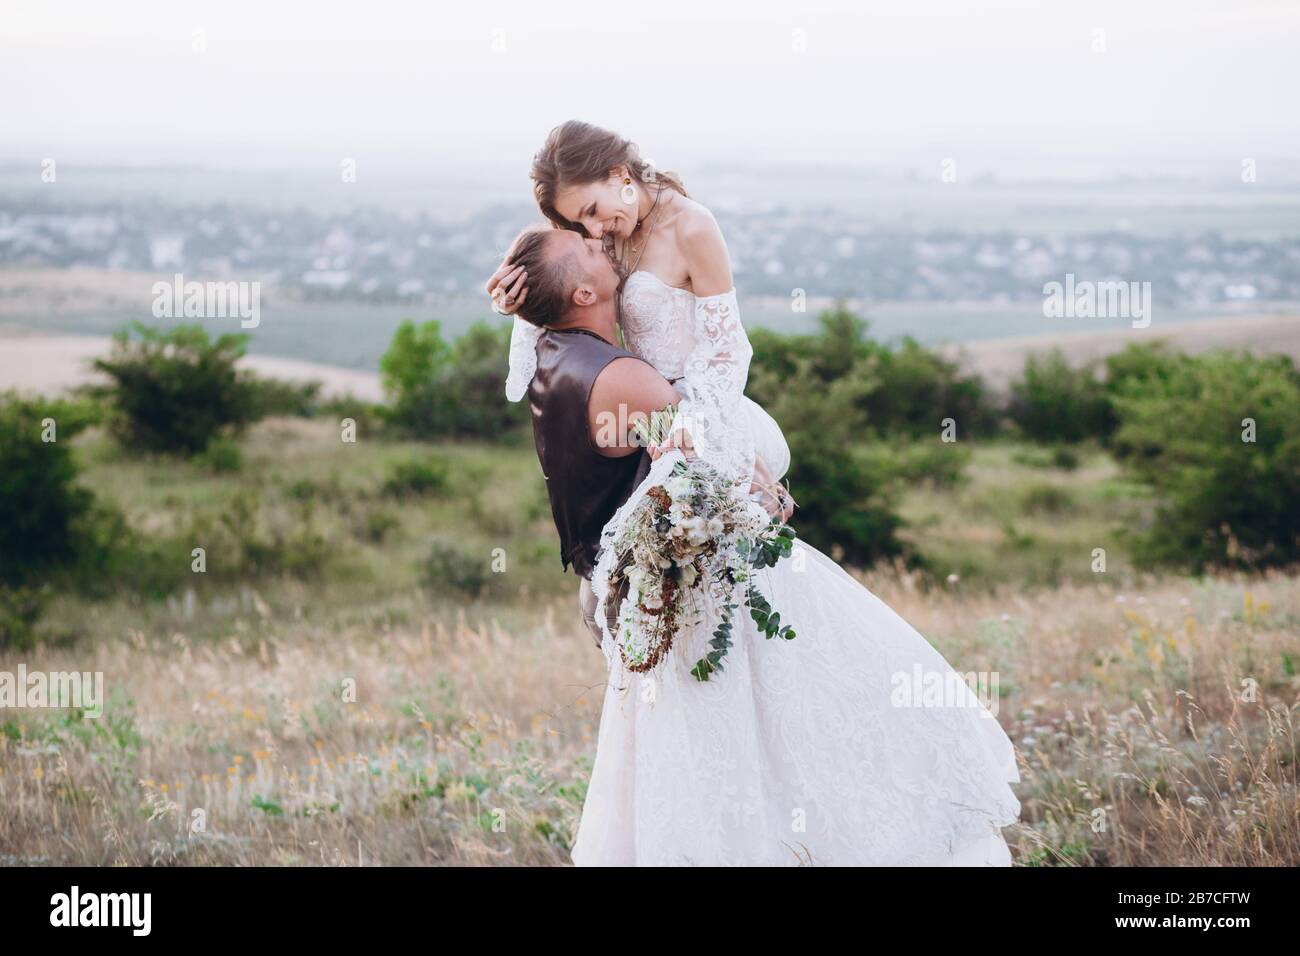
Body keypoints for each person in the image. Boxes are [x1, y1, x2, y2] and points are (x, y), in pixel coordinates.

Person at [498, 209, 1021, 866]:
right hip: (713, 591)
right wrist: (761, 492)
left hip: (648, 597)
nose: (597, 239)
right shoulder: (621, 377)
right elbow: (706, 460)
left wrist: (532, 267)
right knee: (833, 714)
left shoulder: (556, 353)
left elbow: (671, 455)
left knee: (728, 752)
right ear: (582, 295)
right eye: (582, 245)